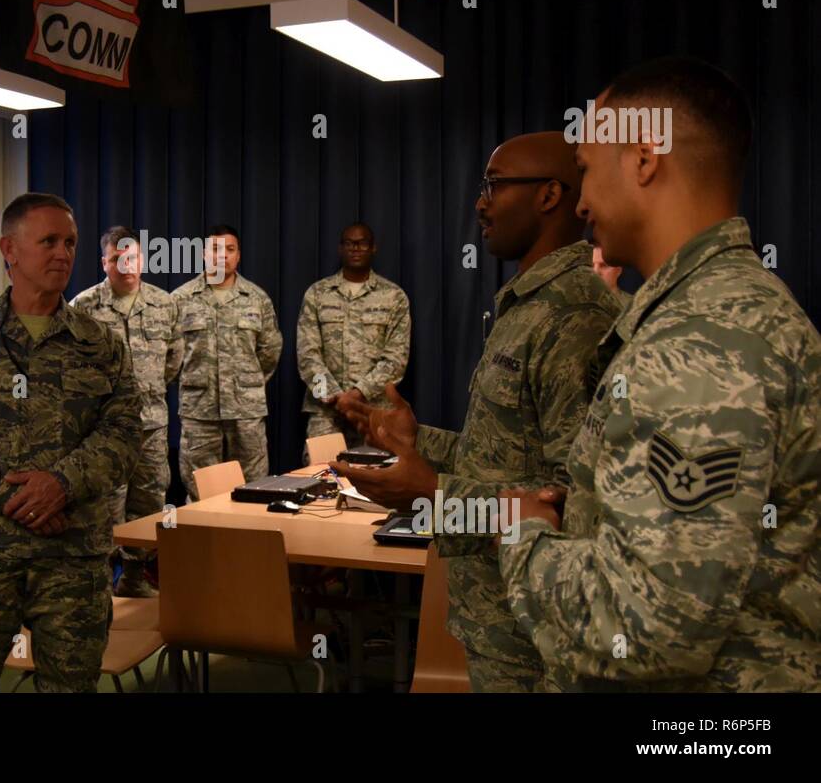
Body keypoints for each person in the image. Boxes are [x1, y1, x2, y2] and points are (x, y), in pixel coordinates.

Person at [497, 56, 821, 691]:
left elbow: (649, 630)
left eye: (586, 171)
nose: (582, 201)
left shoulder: (700, 343)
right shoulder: (731, 310)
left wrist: (524, 534)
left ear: (645, 158)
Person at [331, 132, 620, 692]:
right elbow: (511, 456)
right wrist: (421, 441)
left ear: (549, 195)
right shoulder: (529, 304)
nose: (479, 203)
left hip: (535, 635)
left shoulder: (575, 315)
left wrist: (437, 498)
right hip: (498, 620)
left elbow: (574, 504)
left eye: (494, 185)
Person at [0, 192, 140, 692]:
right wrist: (14, 496)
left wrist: (61, 485)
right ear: (9, 249)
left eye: (70, 242)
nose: (62, 253)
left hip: (72, 555)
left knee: (70, 686)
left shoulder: (101, 344)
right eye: (48, 241)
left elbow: (125, 434)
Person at [70, 226, 183, 596]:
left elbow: (174, 360)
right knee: (104, 508)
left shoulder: (165, 304)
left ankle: (135, 579)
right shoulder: (84, 307)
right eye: (119, 258)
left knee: (150, 505)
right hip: (103, 431)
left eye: (133, 257)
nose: (128, 265)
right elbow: (71, 366)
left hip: (150, 426)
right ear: (105, 262)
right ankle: (100, 587)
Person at [172, 226, 282, 498]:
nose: (222, 256)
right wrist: (194, 382)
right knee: (200, 489)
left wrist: (245, 383)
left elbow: (269, 351)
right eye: (216, 249)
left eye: (229, 250)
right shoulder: (179, 299)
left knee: (254, 486)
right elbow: (169, 357)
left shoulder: (257, 299)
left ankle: (249, 540)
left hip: (246, 410)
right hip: (199, 411)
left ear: (239, 255)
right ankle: (202, 540)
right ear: (203, 255)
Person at [296, 222, 410, 453]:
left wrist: (358, 394)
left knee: (376, 481)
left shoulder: (394, 297)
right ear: (340, 248)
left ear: (373, 248)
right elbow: (307, 355)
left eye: (362, 243)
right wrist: (335, 396)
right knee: (320, 477)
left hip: (374, 409)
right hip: (325, 411)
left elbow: (396, 360)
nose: (355, 248)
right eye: (349, 243)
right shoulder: (317, 293)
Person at [590, 236, 631, 305]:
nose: (596, 271)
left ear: (618, 270)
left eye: (603, 266)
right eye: (591, 265)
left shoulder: (632, 306)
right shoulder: (576, 303)